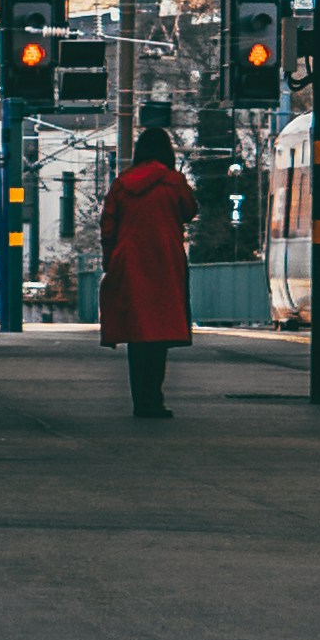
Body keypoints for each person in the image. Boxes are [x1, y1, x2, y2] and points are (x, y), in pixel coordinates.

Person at [97, 118, 197, 417]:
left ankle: (140, 400)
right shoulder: (173, 182)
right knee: (160, 334)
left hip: (129, 263)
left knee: (137, 334)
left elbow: (107, 225)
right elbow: (190, 210)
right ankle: (155, 398)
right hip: (165, 262)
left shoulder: (123, 184)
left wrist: (110, 262)